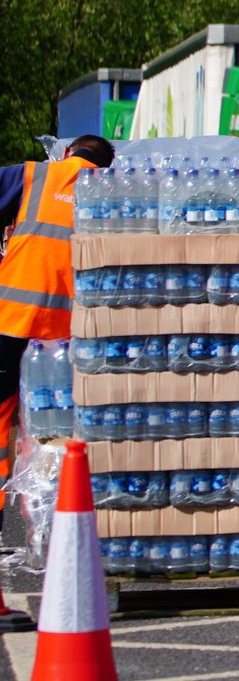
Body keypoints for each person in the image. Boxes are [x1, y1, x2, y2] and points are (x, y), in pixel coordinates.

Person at [0, 136, 116, 521]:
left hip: (10, 319)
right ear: (104, 167)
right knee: (56, 427)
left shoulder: (32, 174)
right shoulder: (110, 194)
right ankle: (54, 515)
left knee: (2, 418)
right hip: (64, 338)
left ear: (68, 153)